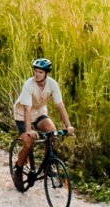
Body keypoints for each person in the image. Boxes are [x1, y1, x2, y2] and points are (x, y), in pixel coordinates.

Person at [12, 57, 72, 187]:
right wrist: (28, 130)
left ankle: (47, 165)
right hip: (22, 114)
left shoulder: (52, 84)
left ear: (47, 74)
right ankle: (18, 169)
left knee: (52, 132)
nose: (36, 74)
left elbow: (60, 105)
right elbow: (27, 109)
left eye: (40, 72)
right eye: (35, 71)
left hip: (39, 112)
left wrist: (68, 126)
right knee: (28, 143)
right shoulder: (28, 84)